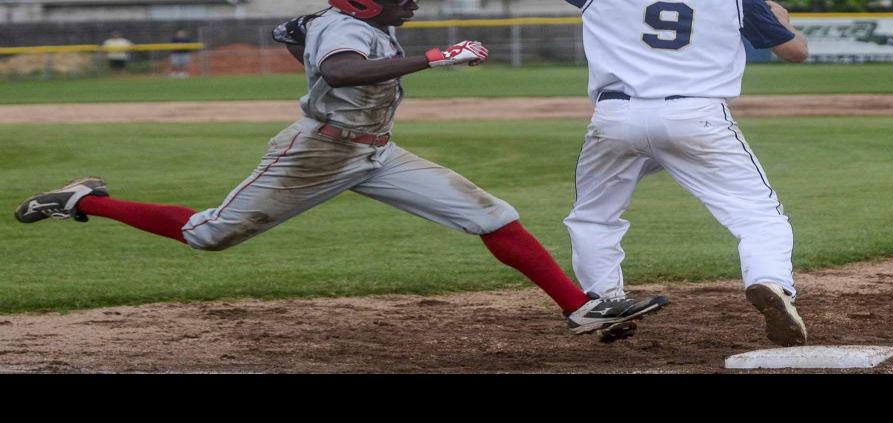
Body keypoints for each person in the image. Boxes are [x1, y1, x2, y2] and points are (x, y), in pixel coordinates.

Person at [14, 0, 667, 341]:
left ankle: (580, 310)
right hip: (317, 152)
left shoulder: (344, 20)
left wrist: (296, 31)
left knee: (491, 214)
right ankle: (85, 200)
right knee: (209, 234)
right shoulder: (344, 34)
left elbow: (305, 35)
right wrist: (433, 58)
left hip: (373, 149)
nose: (409, 1)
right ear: (363, 1)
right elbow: (339, 70)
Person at [562, 0, 809, 347]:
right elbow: (795, 51)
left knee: (594, 217)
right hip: (695, 115)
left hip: (614, 117)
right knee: (758, 216)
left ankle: (603, 300)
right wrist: (783, 21)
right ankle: (771, 282)